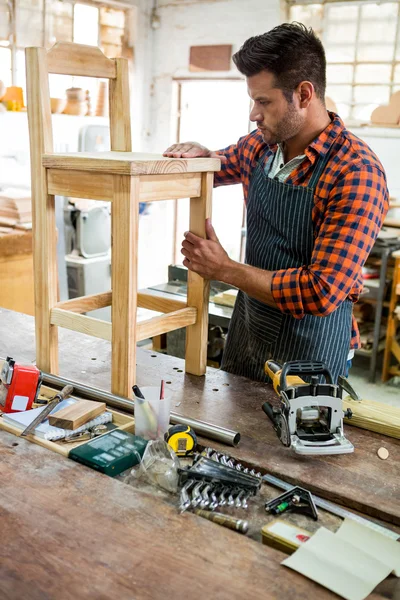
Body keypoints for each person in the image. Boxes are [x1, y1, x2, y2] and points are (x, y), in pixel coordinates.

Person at [163, 23, 389, 383]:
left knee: (293, 439)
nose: (254, 113)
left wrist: (224, 269)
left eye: (264, 101)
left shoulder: (356, 173)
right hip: (250, 330)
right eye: (253, 100)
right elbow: (214, 165)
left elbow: (321, 292)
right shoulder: (261, 148)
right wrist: (198, 154)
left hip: (312, 348)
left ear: (303, 94)